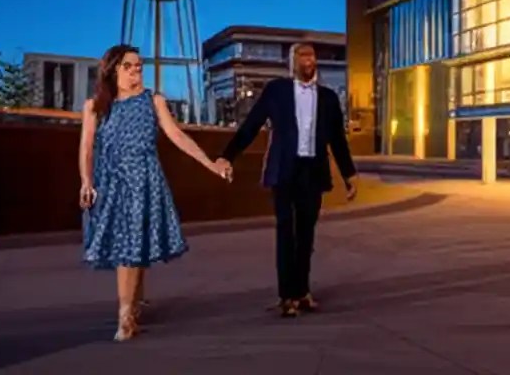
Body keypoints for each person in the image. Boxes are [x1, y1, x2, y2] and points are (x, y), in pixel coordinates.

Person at [78, 44, 231, 341]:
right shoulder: (95, 106)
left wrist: (210, 164)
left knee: (133, 245)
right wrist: (86, 181)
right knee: (129, 246)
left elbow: (177, 136)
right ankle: (131, 307)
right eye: (129, 66)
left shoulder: (153, 100)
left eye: (139, 65)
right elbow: (86, 148)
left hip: (143, 181)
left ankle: (125, 316)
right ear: (113, 70)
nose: (136, 70)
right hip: (109, 182)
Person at [215, 41, 357, 318]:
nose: (309, 59)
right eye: (302, 55)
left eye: (312, 55)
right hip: (283, 170)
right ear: (291, 62)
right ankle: (286, 296)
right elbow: (251, 126)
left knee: (306, 234)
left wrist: (349, 174)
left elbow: (338, 140)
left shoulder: (328, 98)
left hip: (312, 172)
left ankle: (302, 292)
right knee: (285, 231)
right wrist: (227, 156)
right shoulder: (276, 91)